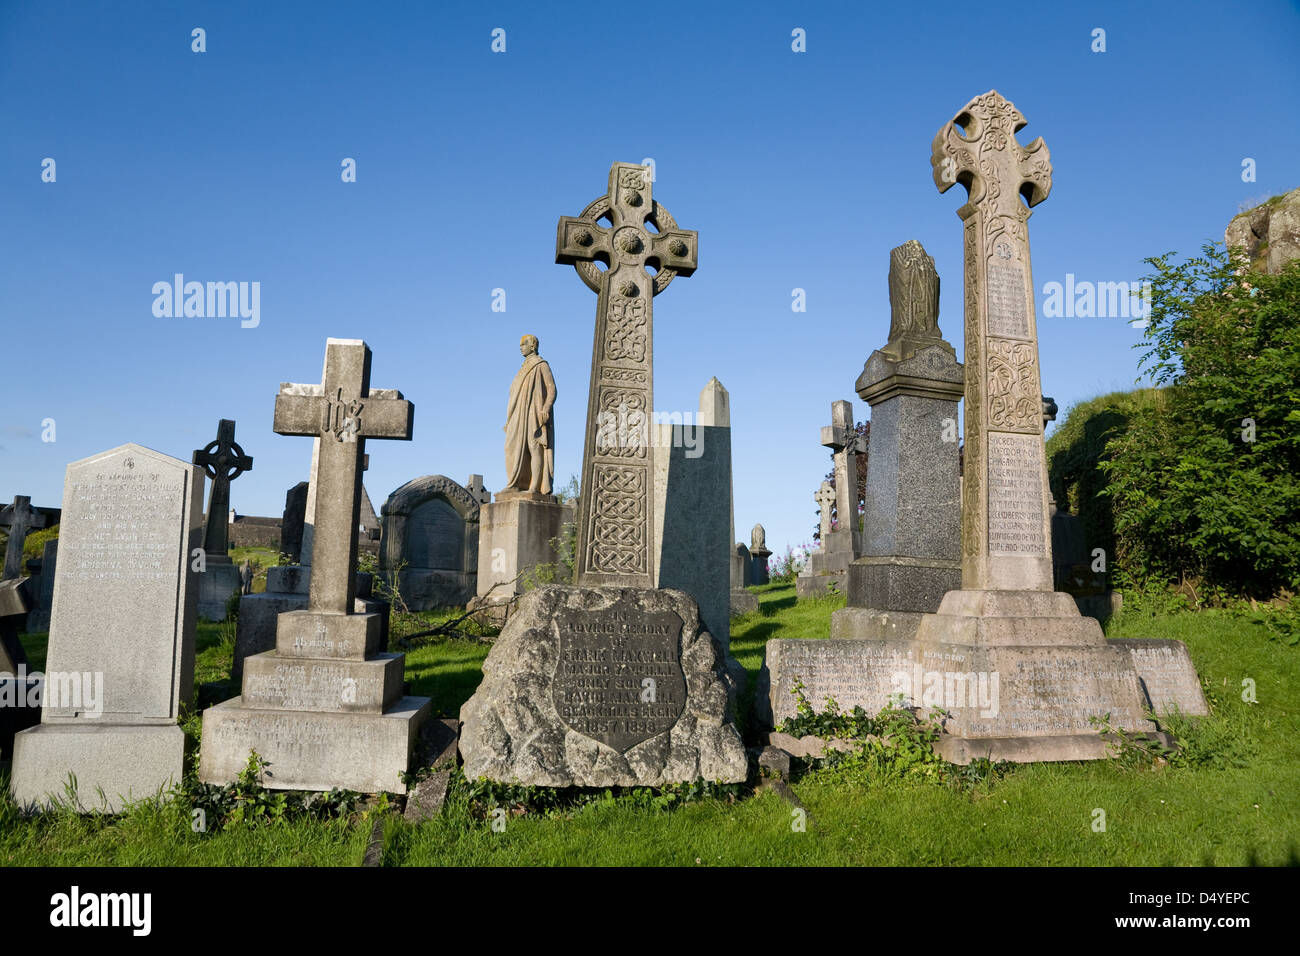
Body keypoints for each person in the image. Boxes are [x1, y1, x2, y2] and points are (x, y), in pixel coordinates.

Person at [503, 334, 556, 495]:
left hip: (534, 411)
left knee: (534, 447)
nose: (520, 347)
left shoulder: (541, 364)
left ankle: (534, 487)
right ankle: (514, 483)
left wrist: (546, 408)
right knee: (511, 447)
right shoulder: (522, 368)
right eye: (520, 345)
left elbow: (552, 388)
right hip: (519, 414)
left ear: (532, 346)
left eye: (523, 344)